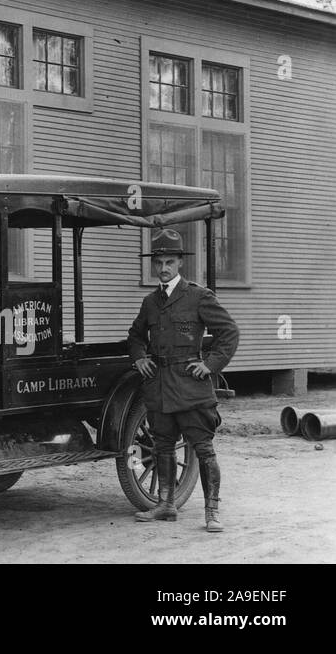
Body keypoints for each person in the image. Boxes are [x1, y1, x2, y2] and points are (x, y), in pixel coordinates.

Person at [127, 228, 239, 532]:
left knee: (203, 448)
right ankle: (165, 504)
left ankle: (212, 512)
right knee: (162, 445)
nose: (163, 268)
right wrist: (139, 357)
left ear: (180, 264)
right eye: (158, 262)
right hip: (159, 386)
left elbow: (229, 333)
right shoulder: (150, 302)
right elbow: (135, 335)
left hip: (191, 386)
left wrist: (210, 365)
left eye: (169, 262)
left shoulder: (199, 296)